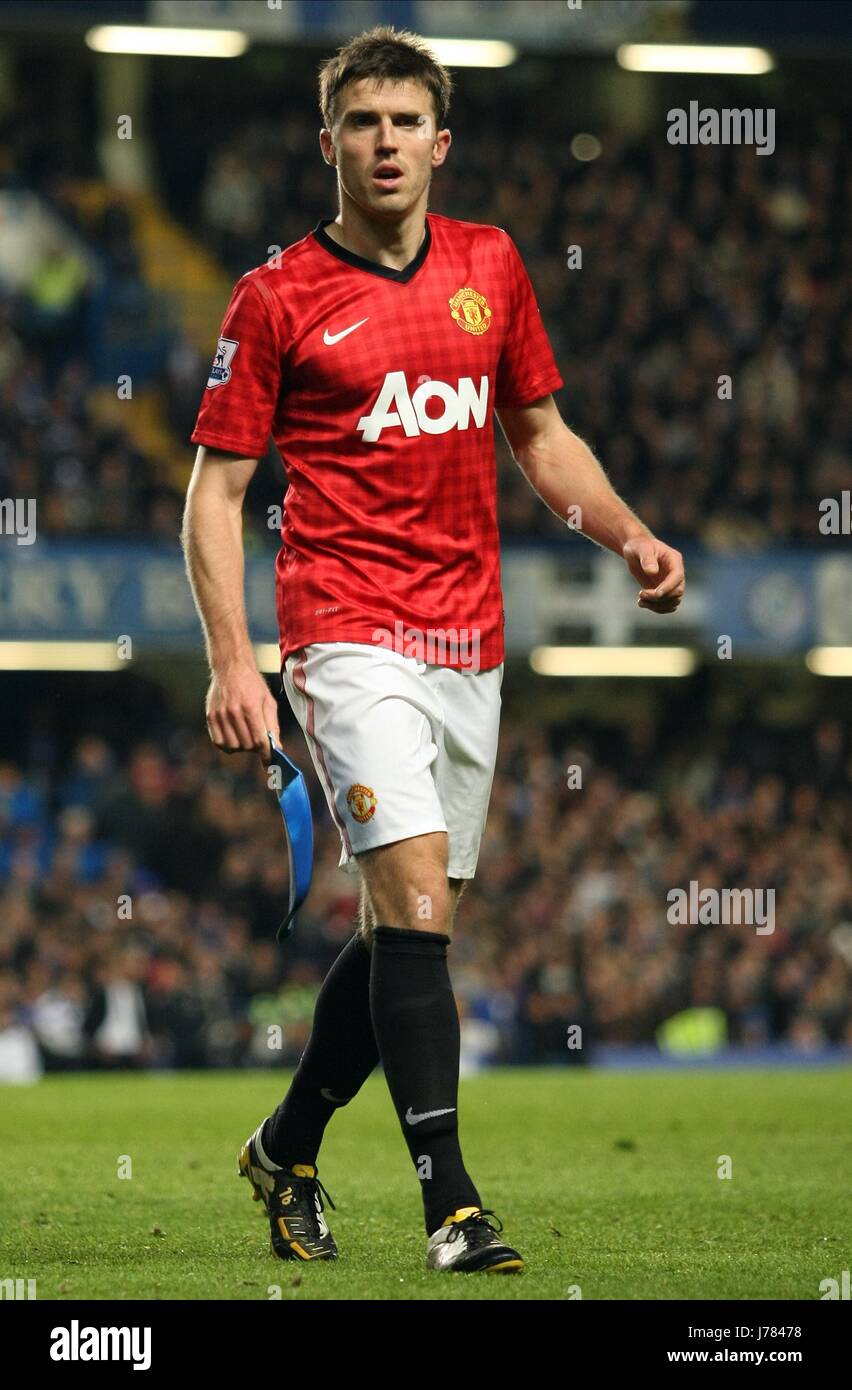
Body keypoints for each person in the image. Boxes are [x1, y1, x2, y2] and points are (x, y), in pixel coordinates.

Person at [182, 25, 685, 1274]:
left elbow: (542, 435)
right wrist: (235, 660)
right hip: (345, 629)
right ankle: (452, 1205)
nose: (387, 142)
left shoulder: (492, 266)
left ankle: (287, 1144)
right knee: (409, 900)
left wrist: (627, 535)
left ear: (442, 143)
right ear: (331, 144)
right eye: (364, 123)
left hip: (470, 638)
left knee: (411, 929)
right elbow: (213, 493)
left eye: (408, 121)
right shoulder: (278, 296)